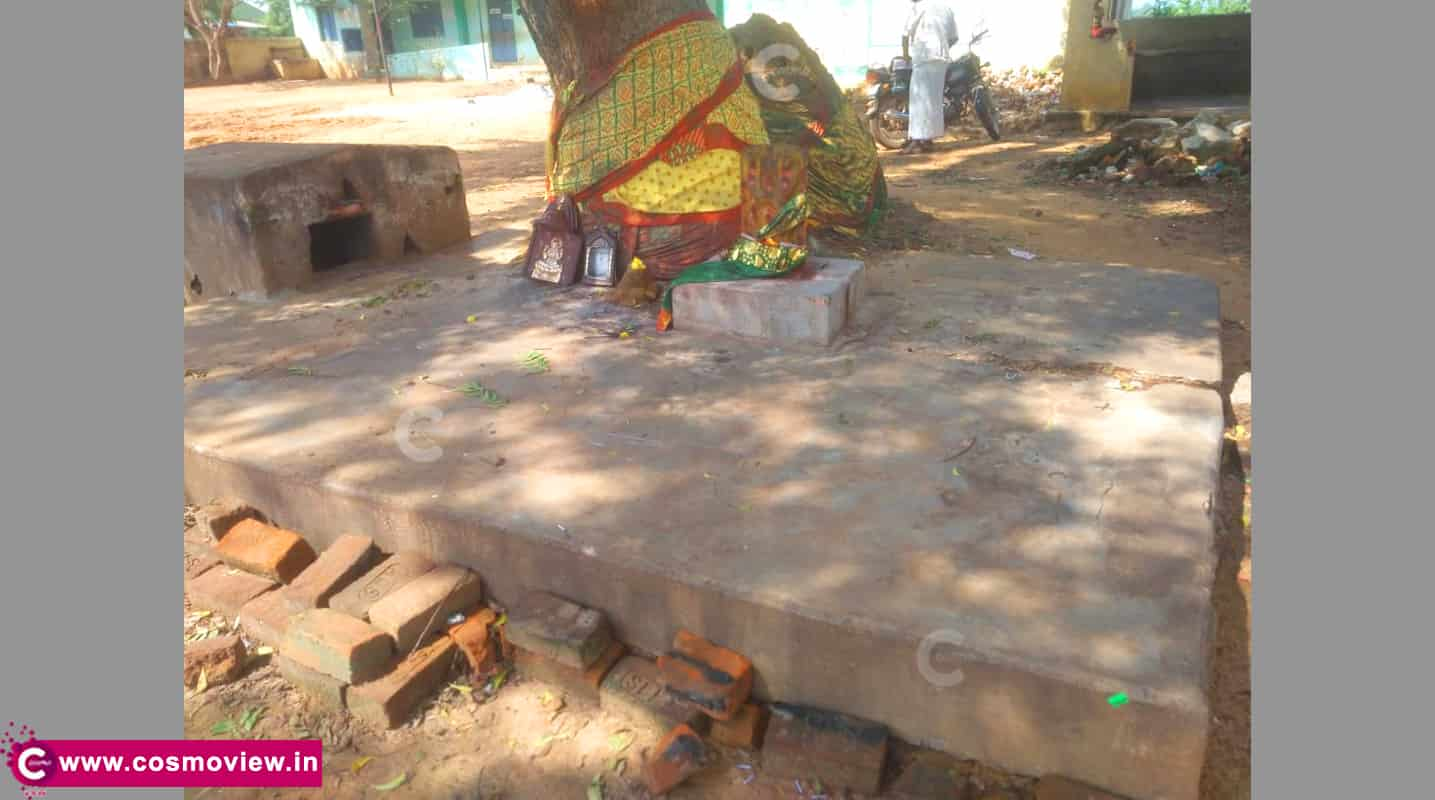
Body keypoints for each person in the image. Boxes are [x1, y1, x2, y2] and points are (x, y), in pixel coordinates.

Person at [902, 0, 959, 155]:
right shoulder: (946, 7)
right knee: (933, 101)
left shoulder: (918, 7)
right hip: (941, 59)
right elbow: (954, 38)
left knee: (919, 101)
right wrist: (942, 47)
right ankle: (927, 140)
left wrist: (906, 55)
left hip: (923, 57)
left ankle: (917, 141)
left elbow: (905, 34)